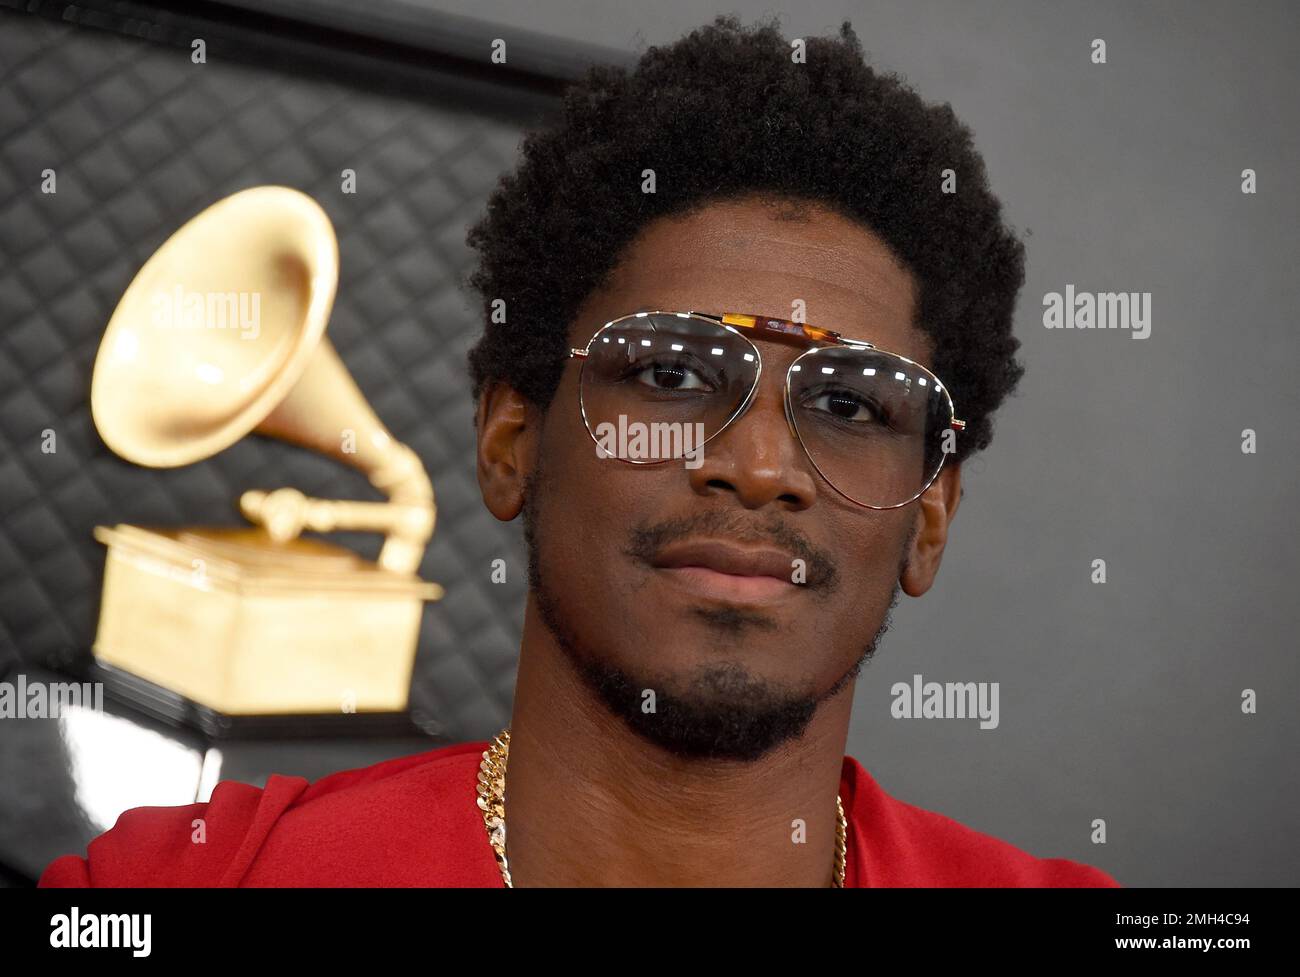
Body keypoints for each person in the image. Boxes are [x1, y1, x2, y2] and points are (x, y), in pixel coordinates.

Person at [40, 15, 1118, 888]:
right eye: (669, 374)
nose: (757, 465)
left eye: (850, 403)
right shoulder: (179, 882)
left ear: (930, 515)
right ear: (512, 440)